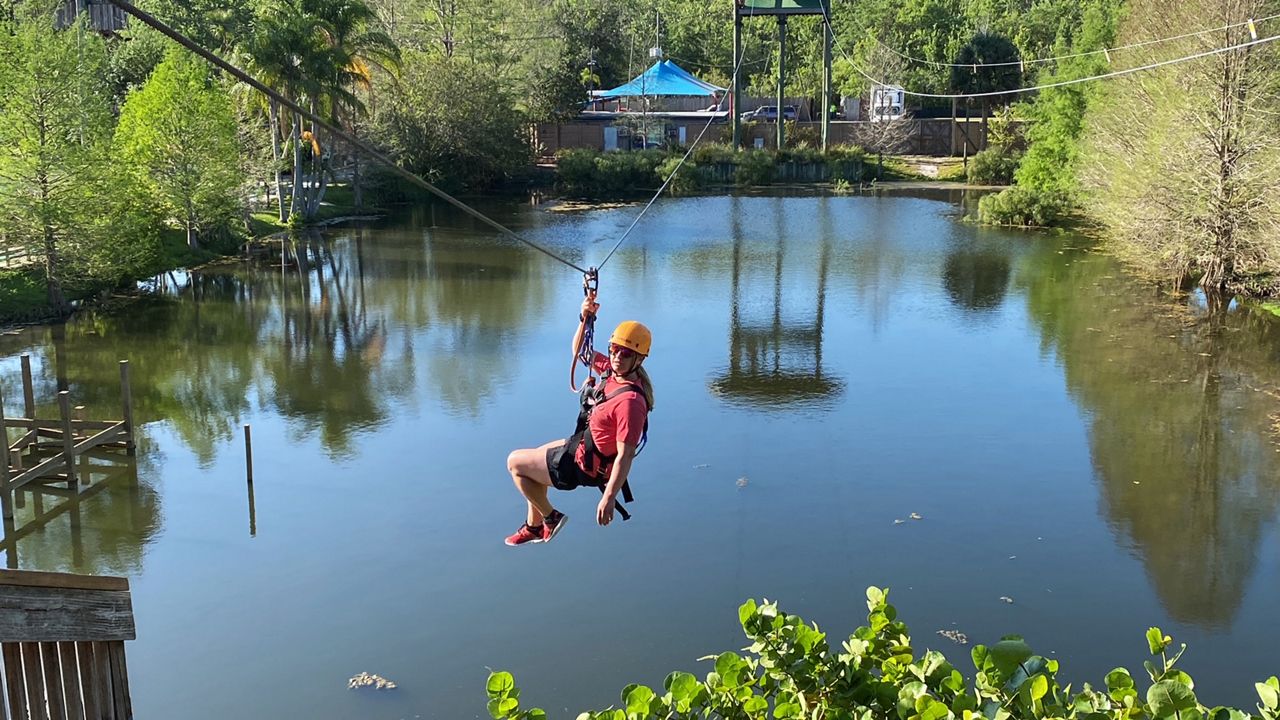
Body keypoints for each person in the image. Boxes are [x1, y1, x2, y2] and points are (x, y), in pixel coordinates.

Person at [503, 296, 654, 546]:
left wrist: (608, 497)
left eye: (625, 353)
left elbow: (625, 456)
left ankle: (550, 518)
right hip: (582, 445)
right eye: (613, 349)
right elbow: (578, 351)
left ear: (639, 359)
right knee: (534, 464)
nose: (617, 356)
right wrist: (585, 317)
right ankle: (533, 526)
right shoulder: (612, 372)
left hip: (586, 466)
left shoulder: (630, 402)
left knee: (515, 463)